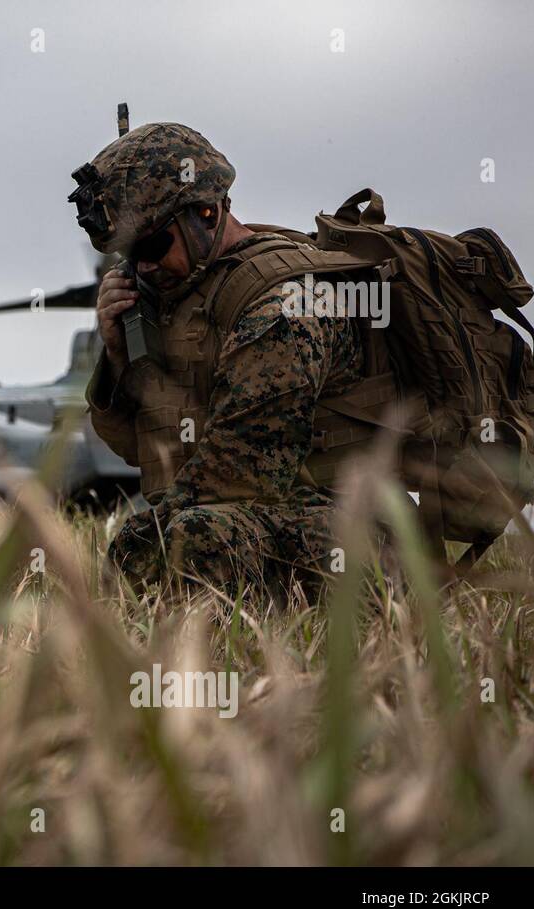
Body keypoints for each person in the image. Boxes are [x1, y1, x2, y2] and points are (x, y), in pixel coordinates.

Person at [71, 122, 373, 593]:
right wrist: (120, 357)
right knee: (155, 540)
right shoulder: (187, 294)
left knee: (192, 537)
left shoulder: (283, 311)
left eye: (151, 245)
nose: (144, 266)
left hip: (350, 536)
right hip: (274, 518)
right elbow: (145, 452)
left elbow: (238, 475)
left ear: (207, 213)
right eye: (129, 255)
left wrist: (142, 540)